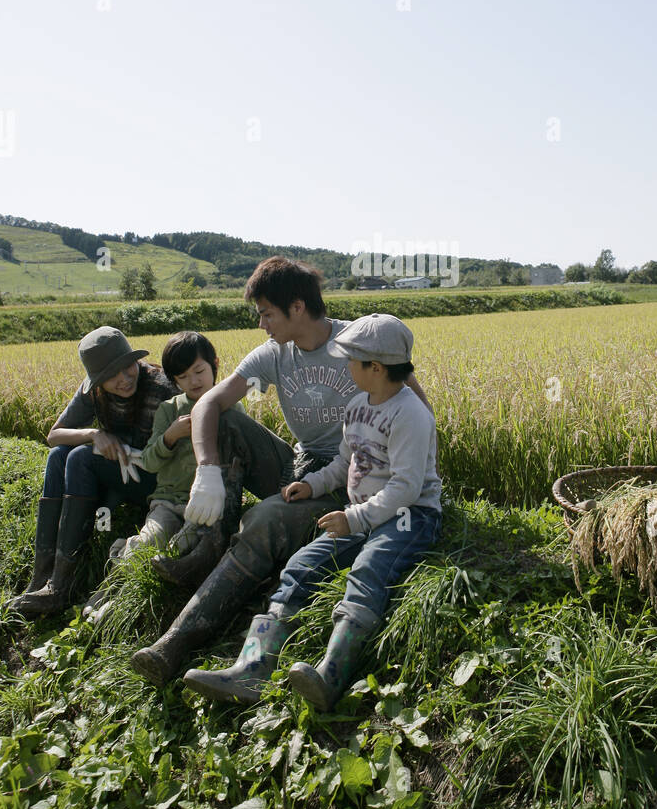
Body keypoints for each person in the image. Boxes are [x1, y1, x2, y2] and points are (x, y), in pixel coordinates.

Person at [131, 259, 433, 686]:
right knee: (227, 417)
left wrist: (390, 485)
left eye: (266, 313)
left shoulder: (362, 347)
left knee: (266, 520)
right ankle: (208, 544)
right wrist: (207, 471)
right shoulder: (274, 354)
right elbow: (208, 404)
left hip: (354, 483)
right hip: (307, 469)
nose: (261, 324)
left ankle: (191, 644)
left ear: (296, 307)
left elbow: (417, 410)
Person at [182, 312, 442, 709]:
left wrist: (354, 519)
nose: (345, 367)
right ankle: (253, 666)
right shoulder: (357, 405)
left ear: (374, 367)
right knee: (301, 565)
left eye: (350, 361)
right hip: (362, 513)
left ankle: (331, 674)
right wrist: (313, 485)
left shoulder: (409, 414)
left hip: (409, 516)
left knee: (369, 567)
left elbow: (406, 488)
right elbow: (343, 463)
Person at [9, 326, 177, 618]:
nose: (124, 379)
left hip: (153, 478)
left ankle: (61, 586)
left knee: (79, 459)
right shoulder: (94, 391)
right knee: (59, 455)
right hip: (116, 473)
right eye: (112, 376)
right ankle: (42, 574)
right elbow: (55, 435)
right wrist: (93, 433)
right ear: (98, 379)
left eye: (128, 368)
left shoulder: (161, 388)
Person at [81, 330, 246, 623]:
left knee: (177, 548)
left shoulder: (232, 409)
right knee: (149, 542)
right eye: (183, 377)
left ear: (214, 365)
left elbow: (242, 460)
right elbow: (149, 462)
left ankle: (133, 595)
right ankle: (106, 595)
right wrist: (170, 437)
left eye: (199, 371)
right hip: (168, 502)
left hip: (209, 505)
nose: (194, 381)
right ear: (174, 381)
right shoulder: (169, 411)